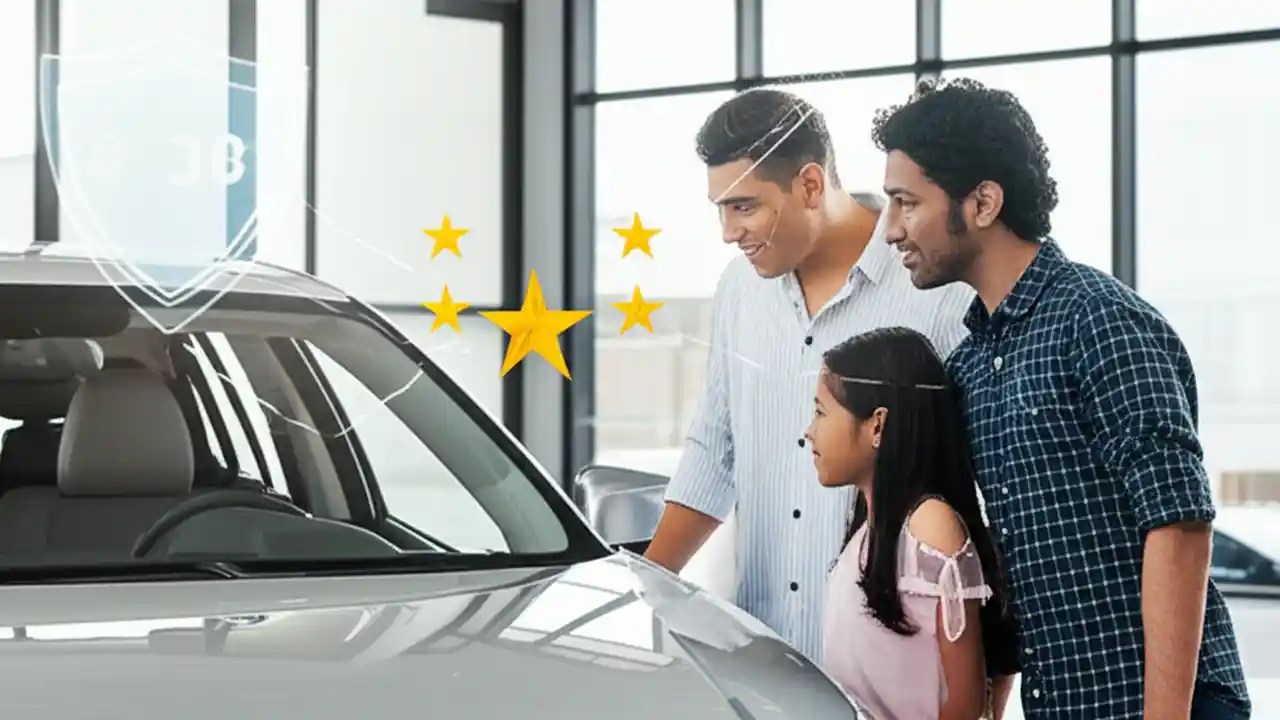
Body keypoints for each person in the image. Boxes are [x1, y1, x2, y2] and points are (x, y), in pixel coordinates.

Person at [872, 77, 1251, 719]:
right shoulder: (970, 365)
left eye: (906, 202)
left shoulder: (1098, 321)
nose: (890, 230)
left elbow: (1180, 523)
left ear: (984, 202)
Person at [641, 86, 974, 663]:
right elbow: (713, 453)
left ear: (811, 185)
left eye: (744, 206)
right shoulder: (739, 290)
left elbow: (983, 497)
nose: (727, 231)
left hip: (888, 676)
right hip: (762, 663)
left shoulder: (938, 294)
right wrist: (642, 590)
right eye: (720, 208)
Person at [806, 326, 1020, 720]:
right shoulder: (865, 535)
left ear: (877, 425)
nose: (809, 431)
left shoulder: (930, 526)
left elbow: (965, 705)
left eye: (820, 412)